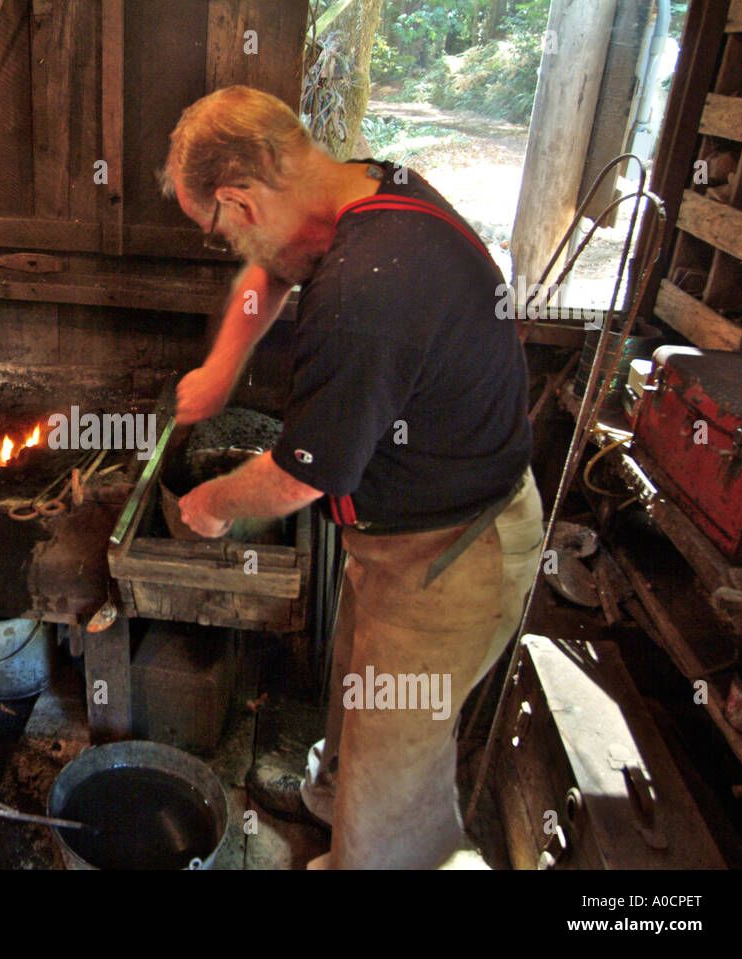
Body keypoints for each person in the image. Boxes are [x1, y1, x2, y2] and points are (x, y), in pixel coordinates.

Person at [160, 85, 544, 869]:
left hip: (453, 557)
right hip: (408, 534)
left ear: (239, 199)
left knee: (392, 795)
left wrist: (210, 504)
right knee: (354, 705)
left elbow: (300, 477)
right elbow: (273, 269)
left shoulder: (364, 293)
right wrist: (222, 365)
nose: (229, 246)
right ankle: (333, 814)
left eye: (216, 229)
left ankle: (372, 851)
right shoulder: (360, 188)